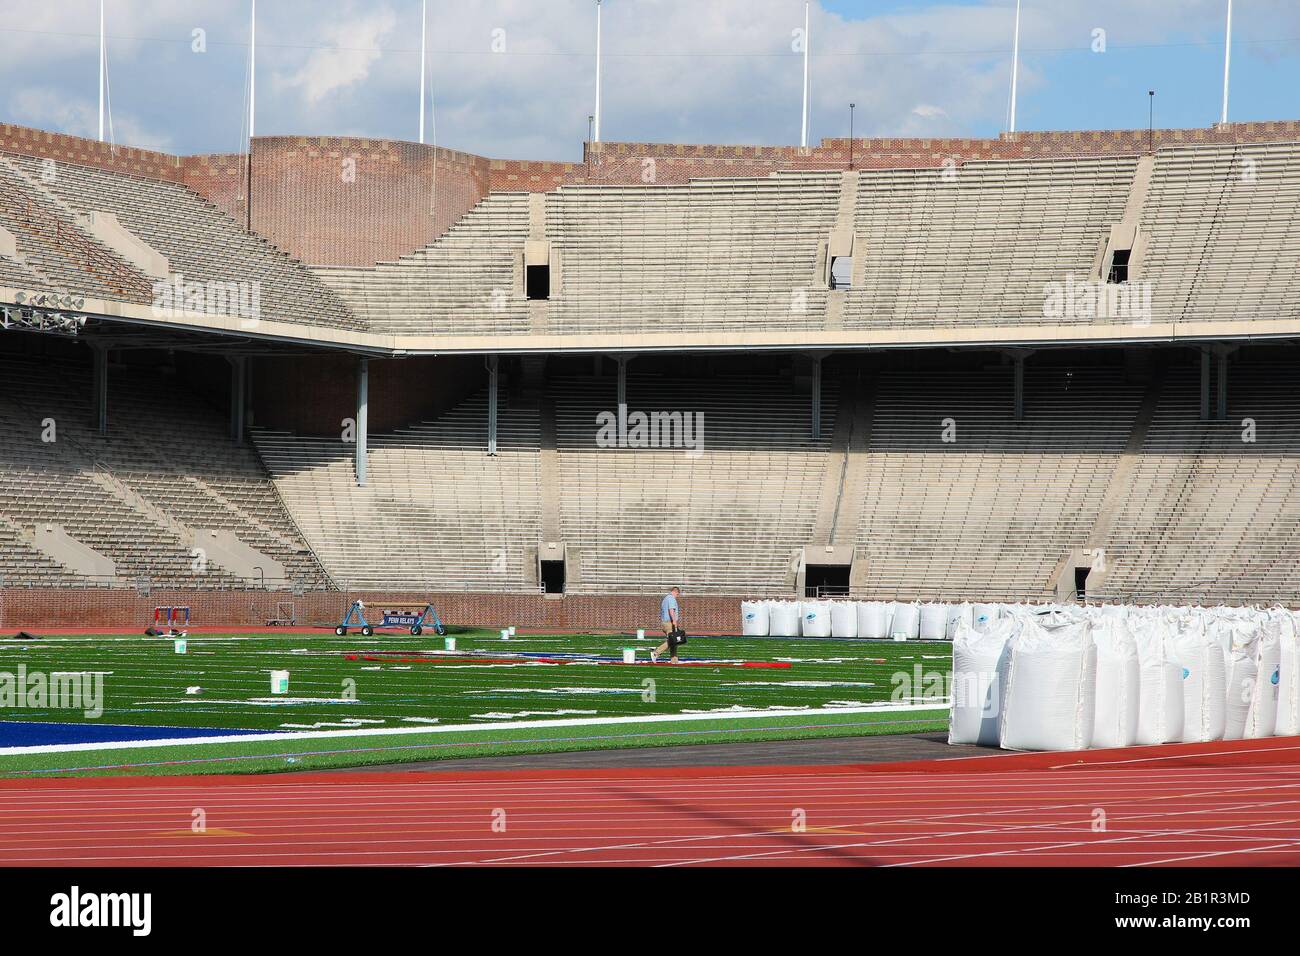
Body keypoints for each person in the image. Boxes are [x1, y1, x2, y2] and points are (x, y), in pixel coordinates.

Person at [651, 587, 684, 663]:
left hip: (665, 622)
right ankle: (656, 652)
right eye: (677, 594)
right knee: (673, 640)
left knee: (674, 641)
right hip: (669, 622)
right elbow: (671, 610)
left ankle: (674, 660)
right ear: (675, 592)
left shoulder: (665, 598)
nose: (677, 596)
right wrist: (674, 621)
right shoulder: (671, 598)